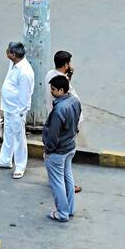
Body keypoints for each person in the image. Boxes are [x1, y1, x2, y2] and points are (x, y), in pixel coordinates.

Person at [0, 42, 35, 179]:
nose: (6, 53)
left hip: (17, 111)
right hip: (9, 107)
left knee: (19, 138)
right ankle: (5, 160)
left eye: (8, 51)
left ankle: (20, 166)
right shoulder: (14, 64)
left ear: (14, 55)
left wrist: (20, 113)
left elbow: (25, 95)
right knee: (8, 134)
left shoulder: (25, 73)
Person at [43, 74, 82, 223]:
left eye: (53, 90)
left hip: (58, 151)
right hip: (70, 146)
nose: (51, 92)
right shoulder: (75, 101)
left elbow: (53, 135)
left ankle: (62, 212)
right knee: (67, 177)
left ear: (61, 90)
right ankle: (69, 209)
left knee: (57, 182)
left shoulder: (59, 109)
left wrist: (48, 150)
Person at [53, 50, 83, 194]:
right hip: (66, 134)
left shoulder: (52, 77)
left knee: (64, 167)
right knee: (65, 167)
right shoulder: (65, 97)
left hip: (63, 134)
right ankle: (66, 190)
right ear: (65, 64)